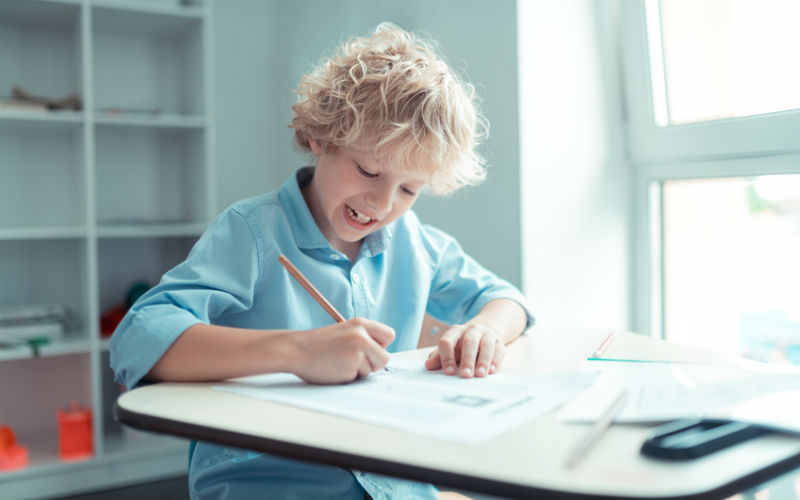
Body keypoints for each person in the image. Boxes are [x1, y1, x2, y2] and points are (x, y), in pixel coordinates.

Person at [110, 22, 533, 500]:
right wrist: (297, 352)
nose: (382, 202)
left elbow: (506, 300)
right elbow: (138, 338)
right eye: (369, 170)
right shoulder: (253, 232)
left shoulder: (410, 240)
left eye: (410, 189)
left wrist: (485, 331)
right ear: (321, 138)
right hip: (272, 484)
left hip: (393, 482)